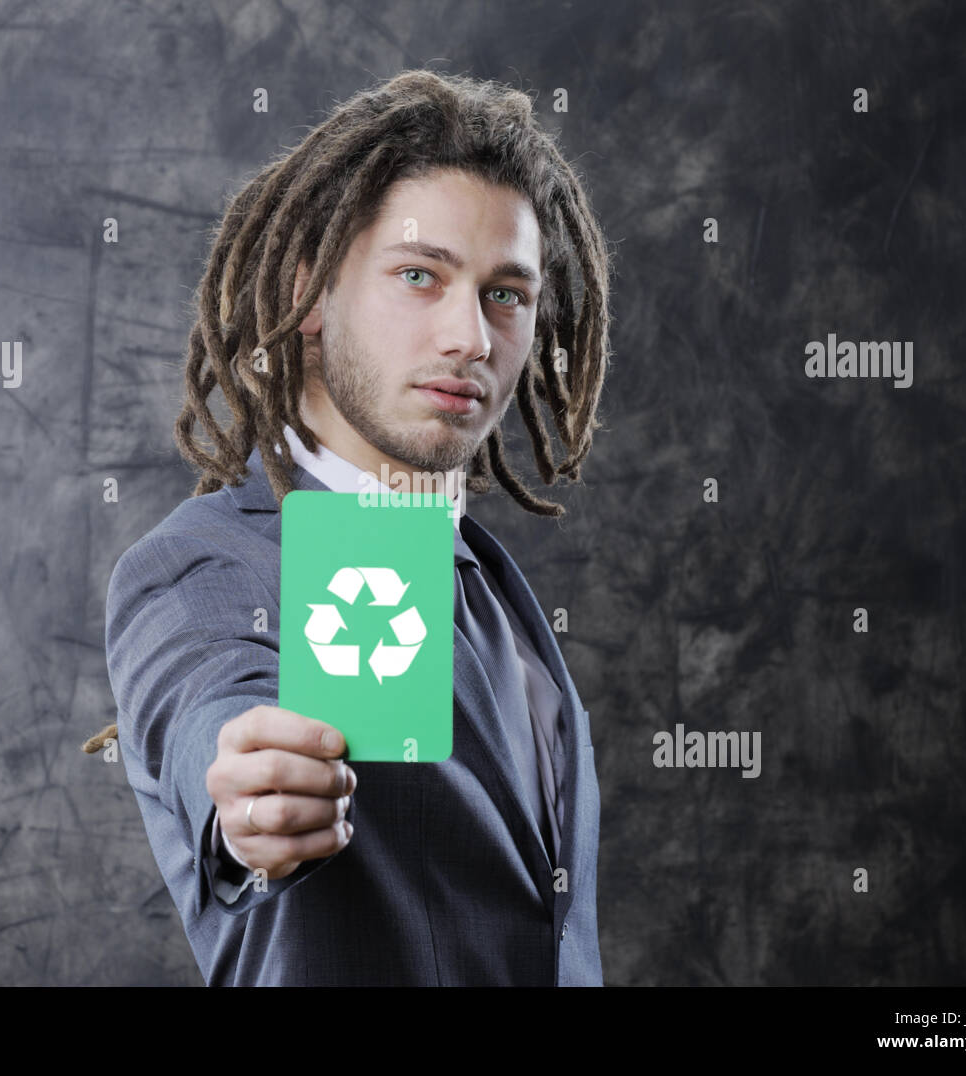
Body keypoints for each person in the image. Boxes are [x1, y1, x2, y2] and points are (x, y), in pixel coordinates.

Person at [88, 69, 615, 986]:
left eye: (506, 294)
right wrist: (249, 802)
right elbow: (212, 708)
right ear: (313, 294)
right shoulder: (203, 568)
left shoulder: (483, 580)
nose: (471, 338)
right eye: (420, 276)